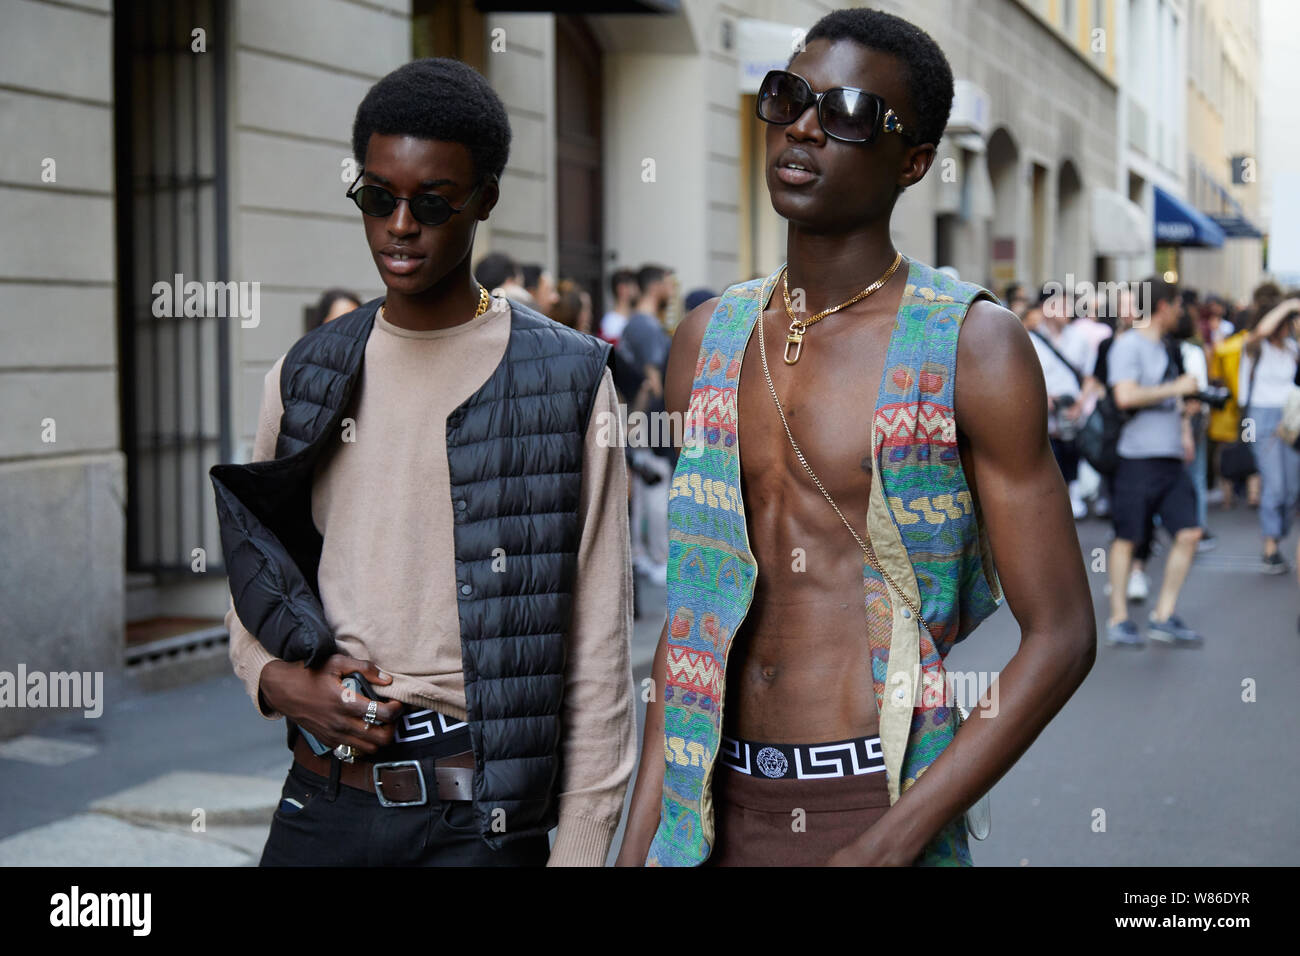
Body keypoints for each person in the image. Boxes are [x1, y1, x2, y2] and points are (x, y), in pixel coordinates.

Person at [615, 7, 1095, 868]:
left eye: (847, 113)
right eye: (788, 97)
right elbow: (694, 614)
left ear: (913, 161)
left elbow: (1062, 633)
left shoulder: (971, 348)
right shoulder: (706, 339)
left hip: (865, 805)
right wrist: (637, 844)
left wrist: (890, 843)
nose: (803, 126)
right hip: (708, 808)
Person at [210, 57, 635, 867]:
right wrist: (276, 679)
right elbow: (254, 567)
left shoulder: (569, 380)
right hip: (324, 798)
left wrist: (580, 848)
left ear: (485, 201)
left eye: (432, 202)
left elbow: (598, 652)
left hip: (481, 825)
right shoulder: (308, 373)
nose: (400, 225)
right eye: (377, 197)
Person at [1104, 279, 1204, 647]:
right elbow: (1125, 396)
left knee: (1190, 532)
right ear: (1163, 306)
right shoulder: (1127, 345)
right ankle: (1118, 618)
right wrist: (1175, 389)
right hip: (1136, 458)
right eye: (1178, 304)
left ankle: (1163, 615)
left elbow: (1172, 399)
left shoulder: (1169, 348)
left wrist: (1186, 423)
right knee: (1128, 538)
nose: (1182, 312)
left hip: (1171, 458)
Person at [621, 264, 676, 585]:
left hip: (640, 421)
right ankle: (657, 558)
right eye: (669, 283)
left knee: (643, 489)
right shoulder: (647, 328)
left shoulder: (635, 325)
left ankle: (642, 555)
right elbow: (652, 382)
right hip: (651, 421)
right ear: (656, 286)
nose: (672, 289)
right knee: (655, 486)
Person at [1239, 293, 1300, 573]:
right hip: (1261, 419)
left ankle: (1277, 533)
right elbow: (1260, 332)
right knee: (1273, 484)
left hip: (1290, 419)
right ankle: (1270, 546)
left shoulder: (1291, 348)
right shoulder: (1254, 346)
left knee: (1291, 490)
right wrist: (1287, 305)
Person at [1026, 287, 1088, 517]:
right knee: (1049, 454)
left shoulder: (1079, 339)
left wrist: (1081, 403)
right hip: (1045, 410)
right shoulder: (1030, 338)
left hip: (1072, 409)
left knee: (1072, 451)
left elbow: (1090, 376)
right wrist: (1042, 399)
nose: (1067, 311)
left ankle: (1074, 494)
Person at [600, 268, 640, 345]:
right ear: (622, 289)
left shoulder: (630, 318)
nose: (637, 291)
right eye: (634, 286)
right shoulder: (612, 322)